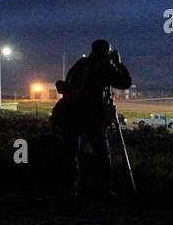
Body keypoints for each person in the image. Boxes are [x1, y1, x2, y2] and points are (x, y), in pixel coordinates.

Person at [53, 39, 131, 198]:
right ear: (106, 52)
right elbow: (125, 82)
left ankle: (69, 189)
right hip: (92, 115)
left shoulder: (80, 64)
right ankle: (102, 190)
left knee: (70, 152)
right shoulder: (103, 67)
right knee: (101, 153)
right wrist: (118, 63)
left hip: (71, 113)